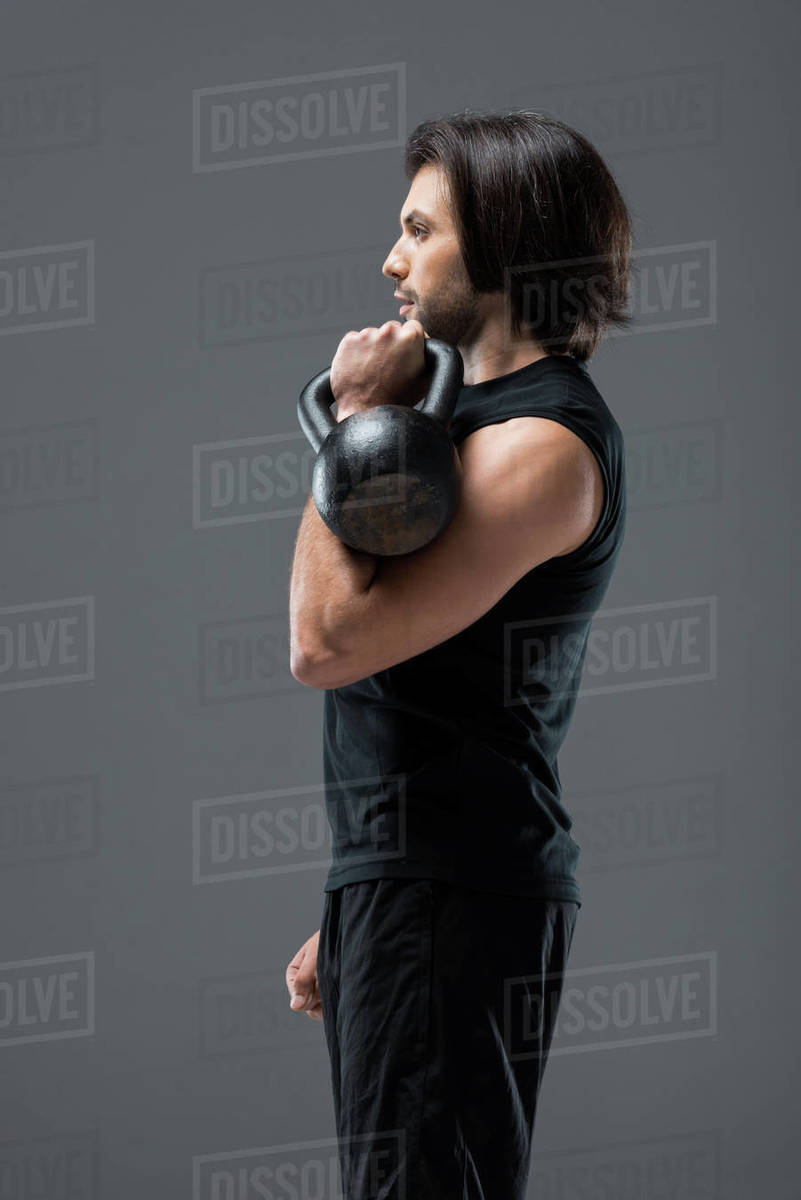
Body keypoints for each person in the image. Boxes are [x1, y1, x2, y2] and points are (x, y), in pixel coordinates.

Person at [285, 109, 633, 1199]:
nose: (393, 260)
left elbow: (328, 640)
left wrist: (352, 411)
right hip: (418, 883)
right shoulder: (465, 419)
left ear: (505, 243)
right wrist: (362, 892)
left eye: (420, 230)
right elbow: (440, 681)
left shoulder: (538, 445)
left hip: (453, 889)